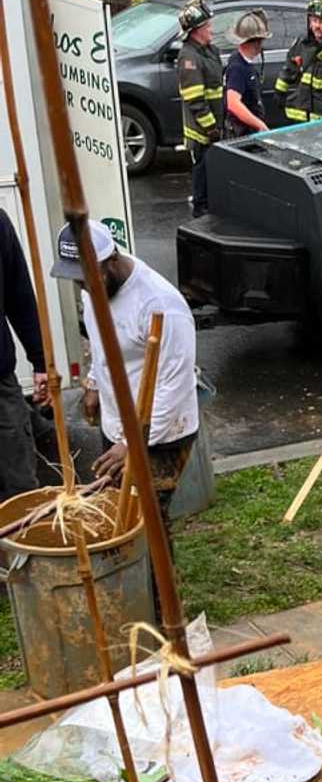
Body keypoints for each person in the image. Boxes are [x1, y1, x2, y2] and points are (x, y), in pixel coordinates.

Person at [48, 221, 199, 565]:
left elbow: (173, 389)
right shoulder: (94, 287)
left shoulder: (162, 306)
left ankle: (163, 608)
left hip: (163, 431)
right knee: (119, 510)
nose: (84, 288)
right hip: (119, 426)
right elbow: (103, 339)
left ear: (111, 260)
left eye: (89, 278)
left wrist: (132, 444)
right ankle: (128, 585)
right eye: (77, 280)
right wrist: (94, 383)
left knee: (149, 521)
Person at [0, 210, 48, 504]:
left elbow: (20, 296)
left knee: (21, 490)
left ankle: (25, 549)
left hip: (0, 385)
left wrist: (41, 360)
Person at [175, 0, 223, 219]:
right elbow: (195, 99)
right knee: (202, 175)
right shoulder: (189, 58)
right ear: (196, 31)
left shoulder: (209, 51)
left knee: (213, 175)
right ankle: (200, 215)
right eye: (207, 26)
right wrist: (211, 127)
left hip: (216, 126)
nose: (210, 29)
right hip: (202, 131)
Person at [222, 12, 271, 141]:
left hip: (247, 132)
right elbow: (233, 103)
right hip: (241, 135)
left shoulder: (242, 62)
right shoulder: (238, 68)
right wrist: (259, 124)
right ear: (255, 42)